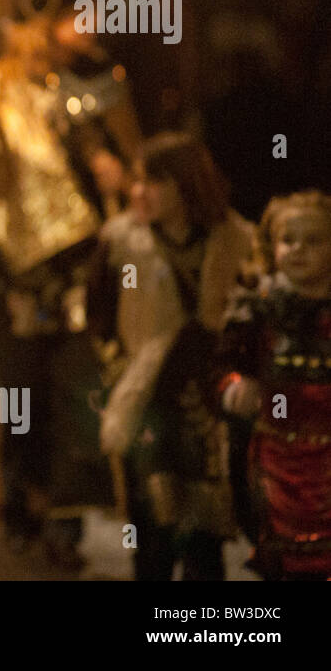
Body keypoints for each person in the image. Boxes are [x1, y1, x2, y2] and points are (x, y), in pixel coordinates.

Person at [0, 0, 140, 565]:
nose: (91, 24)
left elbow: (133, 160)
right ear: (41, 24)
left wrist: (114, 167)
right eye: (76, 14)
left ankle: (68, 519)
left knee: (78, 390)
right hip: (17, 263)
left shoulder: (100, 81)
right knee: (20, 390)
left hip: (83, 259)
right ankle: (23, 504)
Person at [88, 133, 252, 580]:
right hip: (147, 403)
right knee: (151, 541)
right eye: (136, 181)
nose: (138, 192)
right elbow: (98, 318)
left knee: (205, 544)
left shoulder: (236, 241)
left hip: (210, 408)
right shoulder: (121, 241)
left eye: (153, 182)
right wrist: (119, 372)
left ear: (188, 184)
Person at [216, 190, 331, 580]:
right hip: (277, 460)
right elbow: (230, 364)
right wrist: (240, 382)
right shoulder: (258, 309)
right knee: (284, 555)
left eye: (313, 241)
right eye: (288, 240)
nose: (298, 249)